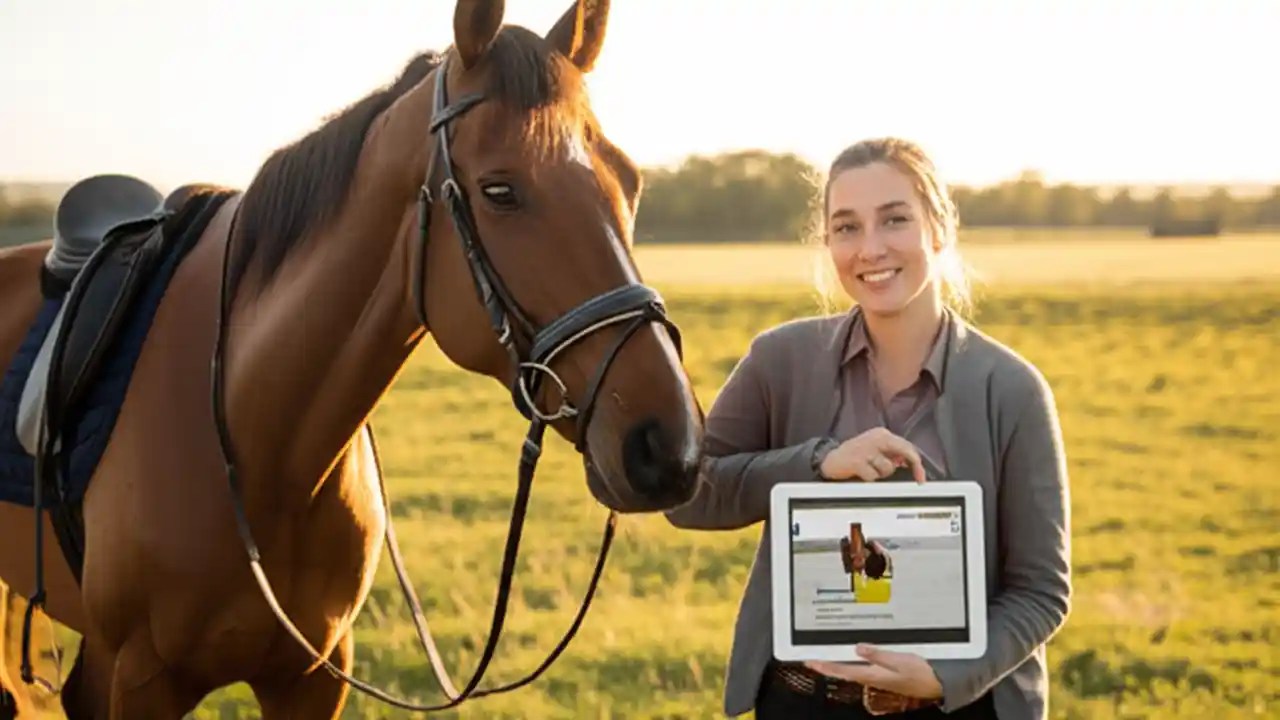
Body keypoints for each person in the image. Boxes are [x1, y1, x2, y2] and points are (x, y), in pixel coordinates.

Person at [665, 137, 1071, 719]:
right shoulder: (780, 361)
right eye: (847, 227)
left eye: (895, 220)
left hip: (958, 707)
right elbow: (689, 496)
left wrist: (941, 677)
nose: (871, 248)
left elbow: (1041, 591)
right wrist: (815, 464)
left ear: (940, 227)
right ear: (827, 241)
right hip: (802, 703)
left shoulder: (1011, 389)